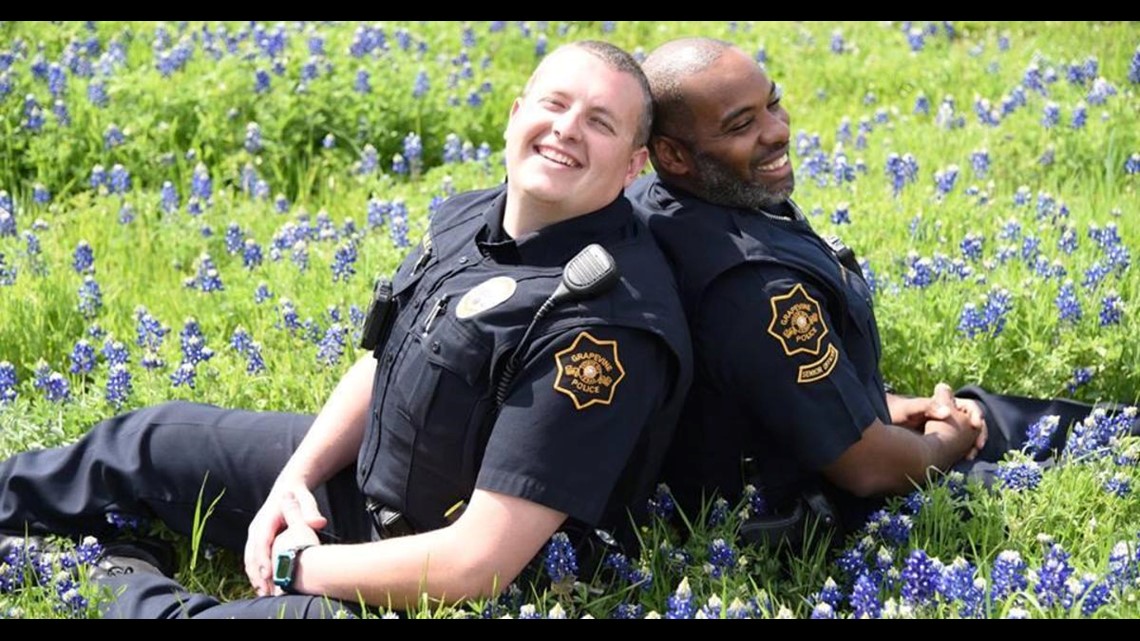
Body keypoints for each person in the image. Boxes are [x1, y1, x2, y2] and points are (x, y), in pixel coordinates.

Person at [0, 40, 692, 618]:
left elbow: (474, 563)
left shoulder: (602, 326)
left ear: (634, 165)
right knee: (144, 442)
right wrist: (293, 481)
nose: (567, 128)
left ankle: (113, 572)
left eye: (601, 122)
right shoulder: (473, 218)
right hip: (370, 481)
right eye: (554, 103)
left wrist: (303, 563)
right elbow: (386, 360)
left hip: (447, 580)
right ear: (516, 114)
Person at [626, 37, 1137, 547]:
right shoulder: (758, 289)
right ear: (671, 154)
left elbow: (757, 384)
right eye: (741, 125)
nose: (777, 131)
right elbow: (867, 469)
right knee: (1070, 473)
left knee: (1052, 422)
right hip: (815, 506)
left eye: (773, 103)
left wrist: (891, 408)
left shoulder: (652, 202)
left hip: (801, 435)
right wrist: (944, 441)